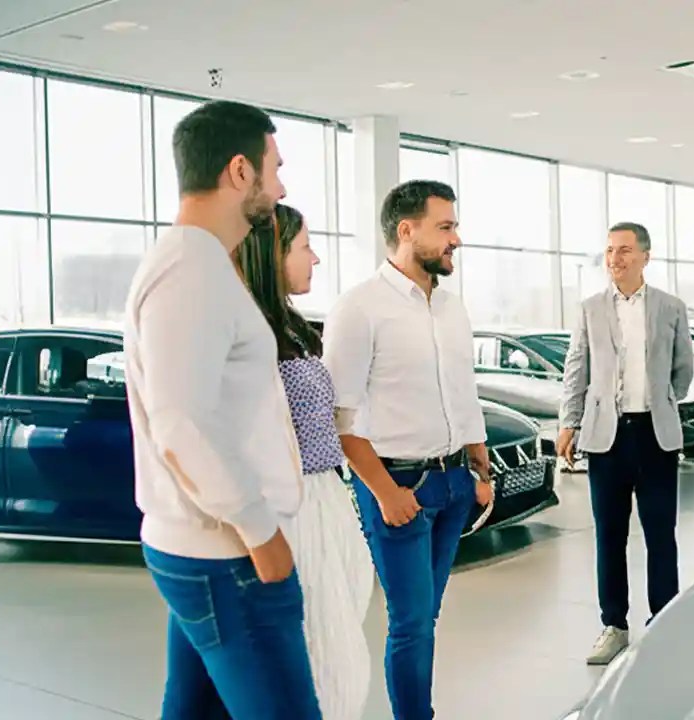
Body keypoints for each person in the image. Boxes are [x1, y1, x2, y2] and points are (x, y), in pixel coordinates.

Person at [123, 100, 322, 718]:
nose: (281, 184)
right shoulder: (192, 271)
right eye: (275, 166)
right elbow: (179, 426)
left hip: (204, 549)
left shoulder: (199, 263)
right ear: (241, 171)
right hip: (227, 556)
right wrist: (261, 534)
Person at [323, 179, 495, 719]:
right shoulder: (360, 308)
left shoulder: (451, 308)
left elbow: (463, 393)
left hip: (453, 484)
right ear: (406, 230)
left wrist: (479, 466)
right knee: (412, 621)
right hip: (400, 488)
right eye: (445, 227)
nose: (457, 240)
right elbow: (340, 418)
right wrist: (385, 492)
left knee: (428, 615)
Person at [235, 203, 374, 720]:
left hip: (323, 494)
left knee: (337, 634)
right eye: (303, 247)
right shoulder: (249, 333)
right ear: (271, 256)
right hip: (289, 508)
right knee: (318, 644)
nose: (314, 258)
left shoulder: (289, 326)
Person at [558, 221, 694, 666]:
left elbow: (682, 370)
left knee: (661, 534)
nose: (615, 259)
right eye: (610, 251)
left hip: (655, 436)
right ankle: (614, 625)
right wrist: (569, 422)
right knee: (610, 536)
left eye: (624, 251)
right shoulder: (590, 308)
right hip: (606, 438)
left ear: (645, 256)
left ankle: (665, 620)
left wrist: (663, 400)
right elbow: (576, 370)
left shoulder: (671, 308)